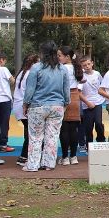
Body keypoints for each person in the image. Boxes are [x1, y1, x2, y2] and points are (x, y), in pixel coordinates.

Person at [21, 40, 71, 172]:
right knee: (52, 136)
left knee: (36, 136)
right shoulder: (63, 69)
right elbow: (66, 89)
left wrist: (25, 103)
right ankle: (48, 163)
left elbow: (30, 89)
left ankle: (32, 165)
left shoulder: (36, 68)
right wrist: (66, 103)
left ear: (42, 52)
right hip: (57, 106)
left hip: (38, 105)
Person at [58, 47, 83, 165]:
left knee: (64, 129)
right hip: (75, 97)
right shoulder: (77, 67)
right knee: (74, 129)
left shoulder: (61, 68)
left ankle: (64, 157)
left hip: (63, 97)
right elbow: (82, 81)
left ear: (67, 57)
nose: (58, 58)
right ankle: (74, 156)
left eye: (60, 56)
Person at [12, 53, 38, 165]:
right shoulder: (30, 74)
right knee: (31, 133)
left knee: (28, 131)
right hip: (24, 106)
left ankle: (25, 156)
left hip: (18, 105)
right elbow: (29, 92)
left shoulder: (21, 73)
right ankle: (24, 156)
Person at [78, 55, 103, 153]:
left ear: (92, 63)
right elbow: (78, 92)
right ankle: (89, 145)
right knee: (88, 127)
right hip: (86, 105)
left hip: (98, 102)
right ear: (82, 66)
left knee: (98, 123)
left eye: (88, 64)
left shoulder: (97, 74)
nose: (87, 66)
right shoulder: (81, 76)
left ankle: (101, 141)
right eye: (84, 65)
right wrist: (87, 102)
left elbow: (102, 86)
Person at [0, 51, 15, 153]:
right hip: (4, 99)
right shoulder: (4, 69)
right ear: (1, 60)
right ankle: (3, 144)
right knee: (4, 122)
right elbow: (12, 81)